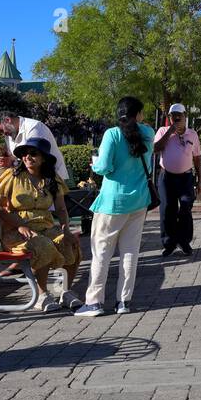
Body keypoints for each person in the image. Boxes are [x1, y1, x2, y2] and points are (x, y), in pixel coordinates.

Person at [75, 96, 155, 317]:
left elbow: (103, 167)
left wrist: (95, 163)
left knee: (101, 252)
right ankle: (124, 302)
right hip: (139, 200)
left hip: (112, 202)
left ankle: (94, 303)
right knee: (130, 252)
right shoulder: (148, 133)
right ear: (138, 114)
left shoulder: (112, 134)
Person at [0, 136, 81, 311]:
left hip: (45, 226)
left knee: (70, 243)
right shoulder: (12, 175)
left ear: (44, 158)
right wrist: (20, 224)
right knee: (42, 245)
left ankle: (66, 291)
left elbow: (61, 209)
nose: (27, 157)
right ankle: (42, 295)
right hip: (17, 230)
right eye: (24, 154)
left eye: (33, 153)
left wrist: (66, 230)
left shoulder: (52, 178)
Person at [154, 103, 201, 256]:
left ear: (184, 116)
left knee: (186, 207)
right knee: (167, 209)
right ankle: (169, 243)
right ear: (169, 117)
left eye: (178, 116)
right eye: (172, 116)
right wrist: (170, 132)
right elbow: (155, 149)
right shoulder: (162, 131)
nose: (175, 118)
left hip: (186, 177)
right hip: (166, 177)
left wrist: (200, 181)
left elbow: (197, 158)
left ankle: (184, 241)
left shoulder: (192, 134)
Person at [0, 111, 69, 181]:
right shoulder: (9, 135)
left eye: (1, 130)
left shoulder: (34, 127)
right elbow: (16, 158)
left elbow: (35, 160)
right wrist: (8, 161)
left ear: (7, 120)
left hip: (51, 179)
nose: (2, 134)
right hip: (30, 180)